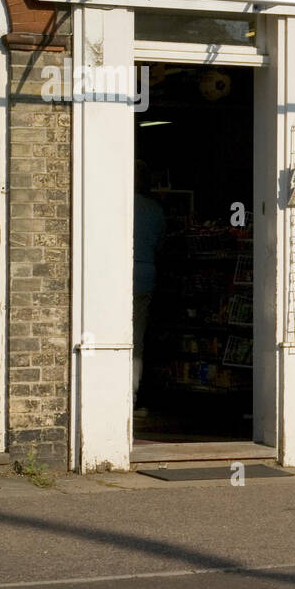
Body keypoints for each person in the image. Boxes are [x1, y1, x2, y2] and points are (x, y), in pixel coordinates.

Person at [133, 161, 166, 416]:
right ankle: (131, 396)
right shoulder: (153, 209)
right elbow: (160, 244)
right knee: (136, 340)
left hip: (110, 275)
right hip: (144, 276)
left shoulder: (112, 204)